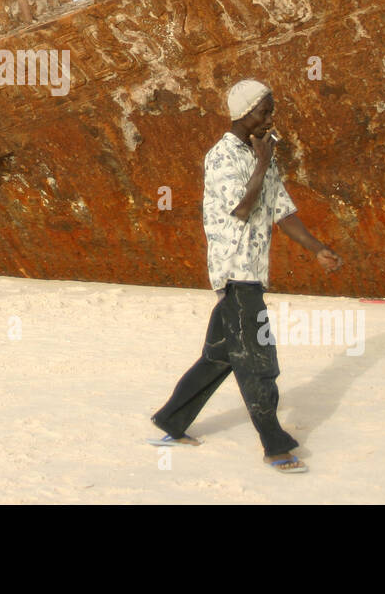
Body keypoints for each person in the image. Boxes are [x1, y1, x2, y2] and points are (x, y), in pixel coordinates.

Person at [150, 79, 342, 473]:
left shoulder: (262, 155)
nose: (270, 119)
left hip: (252, 274)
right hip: (234, 274)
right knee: (257, 360)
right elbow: (241, 209)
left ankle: (172, 419)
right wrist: (261, 161)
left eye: (271, 111)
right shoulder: (221, 156)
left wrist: (317, 248)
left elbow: (282, 212)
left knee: (219, 357)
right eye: (263, 112)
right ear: (242, 113)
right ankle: (275, 444)